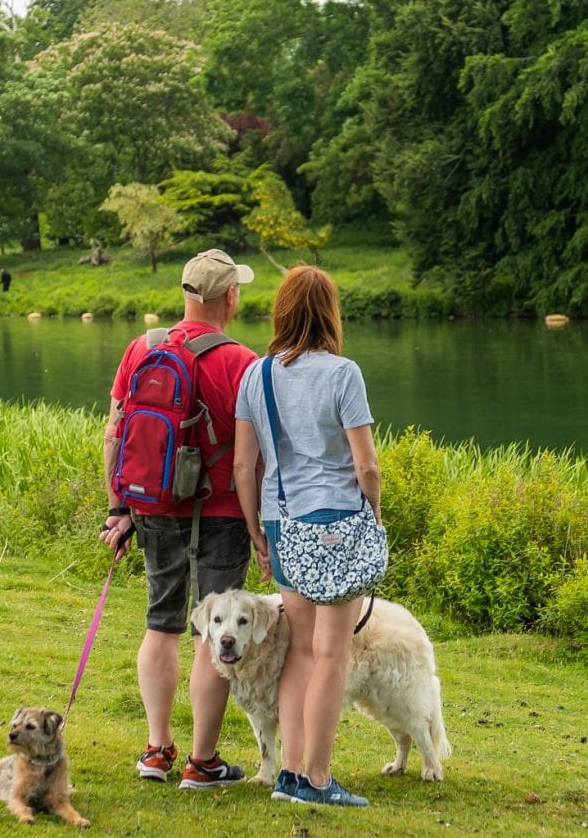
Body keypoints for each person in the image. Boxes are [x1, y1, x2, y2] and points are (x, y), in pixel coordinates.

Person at [98, 248, 258, 789]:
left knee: (160, 625)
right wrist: (258, 525)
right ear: (229, 296)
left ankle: (155, 749)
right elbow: (246, 458)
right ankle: (202, 762)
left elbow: (115, 433)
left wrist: (120, 508)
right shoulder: (241, 362)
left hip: (153, 508)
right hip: (221, 514)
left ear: (187, 294)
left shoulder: (143, 347)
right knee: (214, 635)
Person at [232, 265, 383, 808]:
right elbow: (366, 466)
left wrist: (256, 530)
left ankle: (289, 773)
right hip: (337, 524)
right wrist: (376, 515)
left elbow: (244, 467)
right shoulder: (343, 374)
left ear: (282, 311)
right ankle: (317, 780)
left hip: (282, 521)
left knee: (299, 650)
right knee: (332, 654)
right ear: (329, 314)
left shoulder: (257, 375)